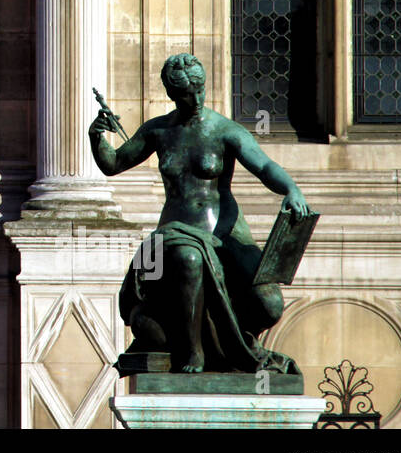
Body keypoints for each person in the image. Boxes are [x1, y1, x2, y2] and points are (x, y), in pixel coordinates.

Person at [89, 53, 311, 374]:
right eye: (186, 94)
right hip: (176, 231)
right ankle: (191, 352)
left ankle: (234, 344)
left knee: (269, 304)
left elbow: (264, 166)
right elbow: (113, 164)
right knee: (188, 260)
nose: (195, 99)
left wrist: (291, 189)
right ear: (171, 94)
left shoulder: (225, 131)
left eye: (200, 90)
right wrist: (96, 137)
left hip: (224, 235)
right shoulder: (159, 131)